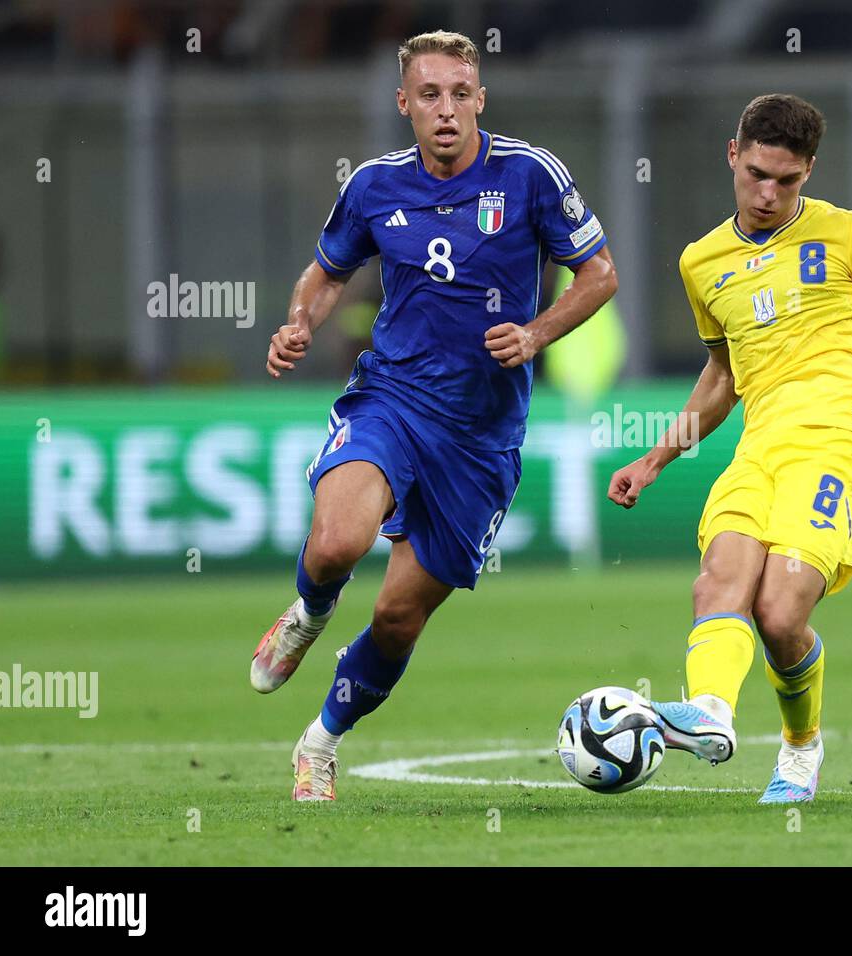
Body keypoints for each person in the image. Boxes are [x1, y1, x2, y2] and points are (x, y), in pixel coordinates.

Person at [253, 30, 617, 801]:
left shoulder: (530, 175)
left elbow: (599, 273)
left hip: (481, 437)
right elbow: (325, 273)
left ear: (480, 99)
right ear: (404, 105)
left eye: (459, 94)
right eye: (429, 96)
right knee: (336, 544)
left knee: (395, 620)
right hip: (392, 398)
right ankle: (309, 613)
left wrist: (537, 331)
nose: (445, 111)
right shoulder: (374, 186)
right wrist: (299, 323)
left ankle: (319, 742)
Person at [607, 94, 852, 803]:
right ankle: (709, 712)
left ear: (809, 174)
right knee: (719, 583)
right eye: (758, 174)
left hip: (846, 440)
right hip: (762, 445)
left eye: (787, 181)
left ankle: (801, 752)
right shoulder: (702, 263)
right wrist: (654, 458)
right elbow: (723, 376)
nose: (769, 194)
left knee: (781, 614)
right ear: (732, 155)